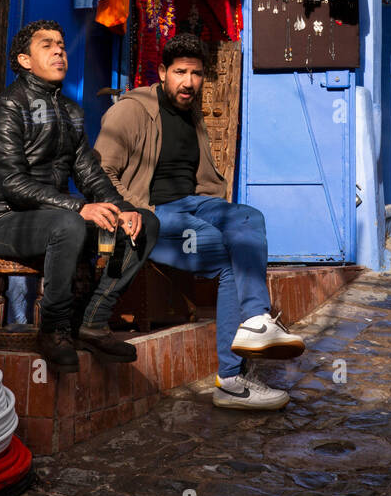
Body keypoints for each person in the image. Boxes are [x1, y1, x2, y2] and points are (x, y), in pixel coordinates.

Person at [94, 32, 304, 411]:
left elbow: (205, 180)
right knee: (225, 256)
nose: (188, 81)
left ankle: (256, 320)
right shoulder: (131, 109)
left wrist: (220, 208)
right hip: (151, 213)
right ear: (162, 72)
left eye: (196, 73)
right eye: (179, 72)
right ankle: (232, 380)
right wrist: (128, 210)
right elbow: (100, 169)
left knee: (248, 217)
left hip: (194, 205)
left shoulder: (192, 114)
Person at [0, 21, 159, 374]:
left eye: (61, 44)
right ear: (25, 60)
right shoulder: (7, 107)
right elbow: (13, 184)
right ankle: (55, 329)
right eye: (47, 45)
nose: (59, 50)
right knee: (69, 224)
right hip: (0, 221)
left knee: (145, 223)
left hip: (55, 219)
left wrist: (124, 210)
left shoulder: (71, 113)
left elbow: (91, 175)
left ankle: (92, 321)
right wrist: (79, 208)